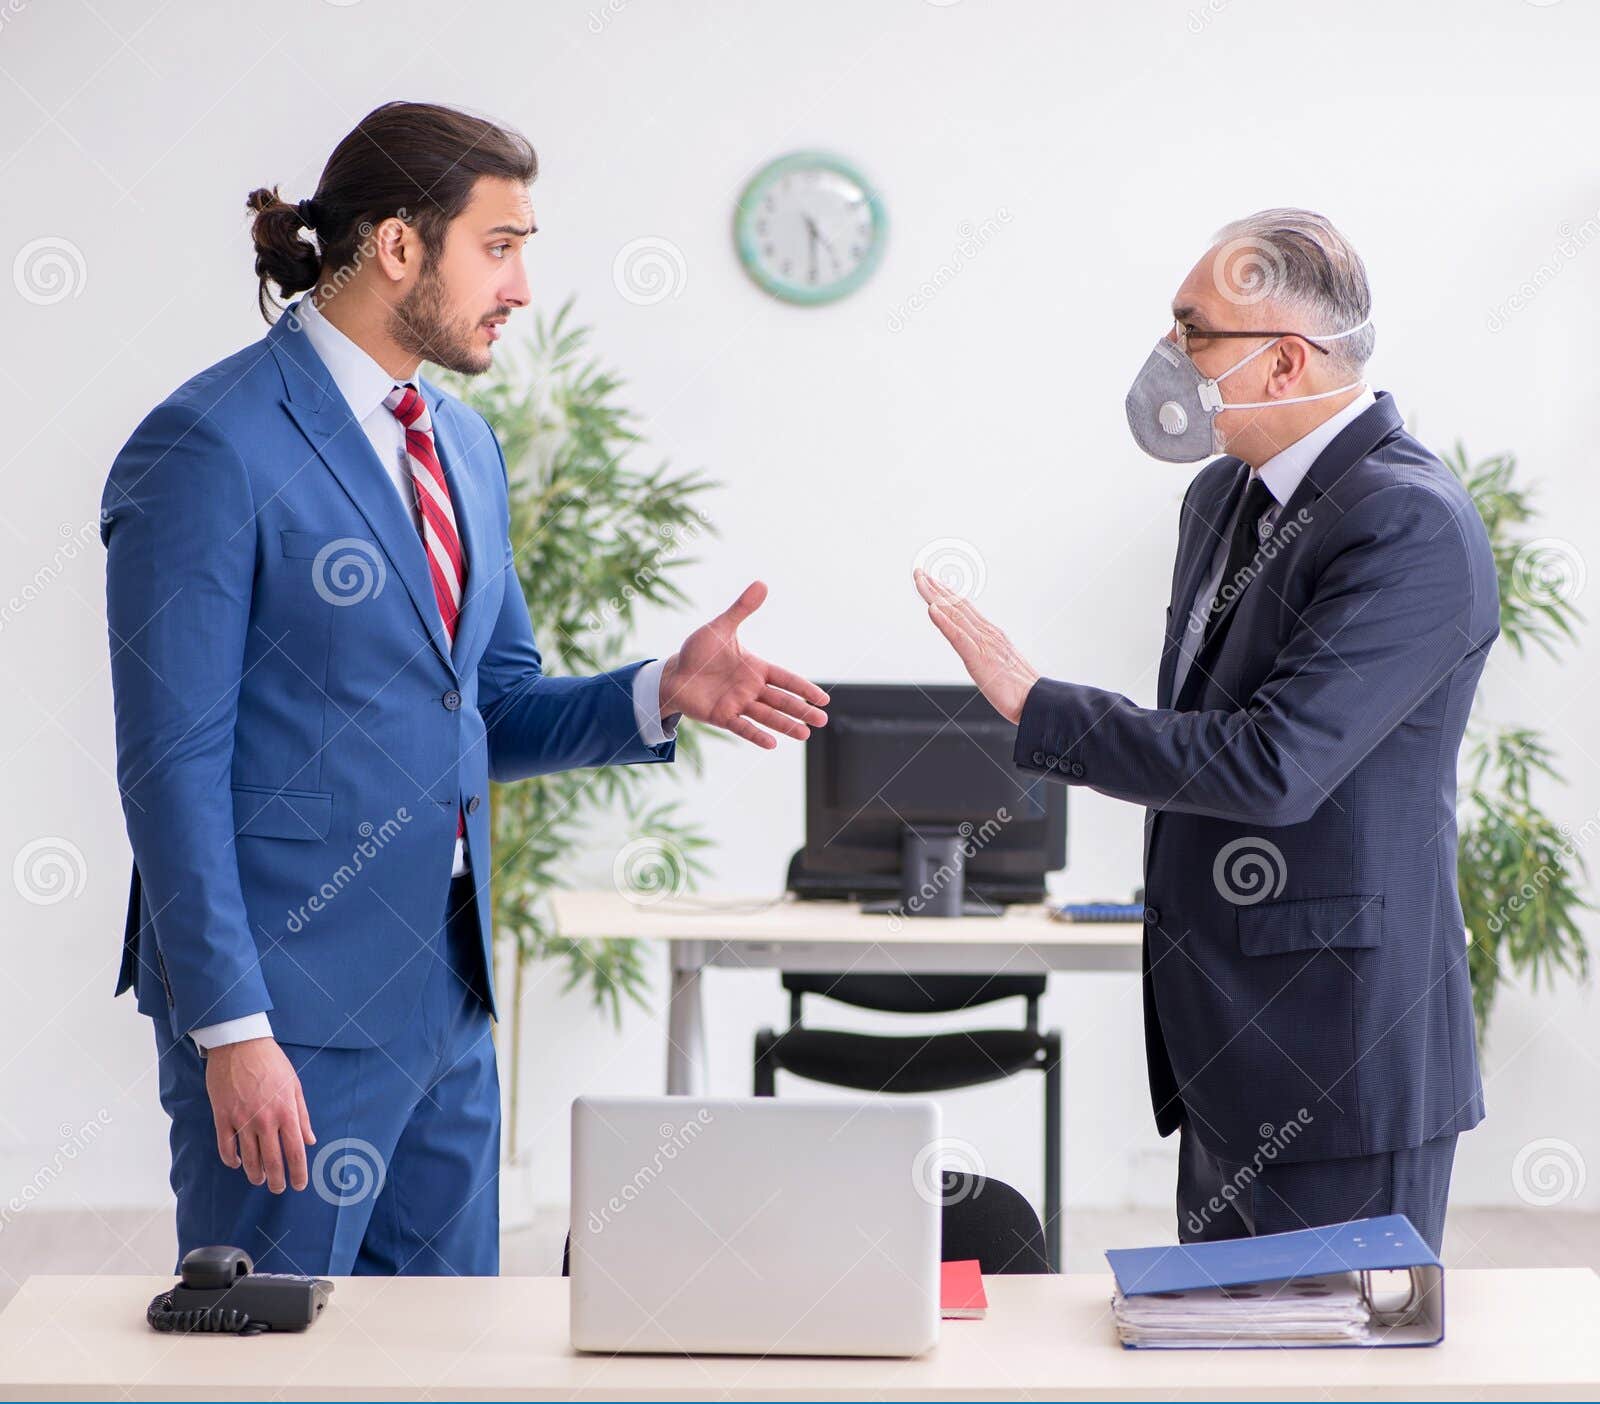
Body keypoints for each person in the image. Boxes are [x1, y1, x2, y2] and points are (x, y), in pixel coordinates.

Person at [102, 100, 828, 1277]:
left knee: (454, 1353)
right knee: (274, 1354)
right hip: (287, 1008)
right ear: (398, 244)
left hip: (448, 994)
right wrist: (231, 1026)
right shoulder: (210, 444)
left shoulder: (462, 445)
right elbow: (168, 766)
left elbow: (481, 709)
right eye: (499, 246)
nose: (522, 288)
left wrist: (660, 690)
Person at [915, 209, 1497, 1255]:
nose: (1169, 354)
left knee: (1320, 1353)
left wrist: (1040, 704)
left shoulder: (1409, 522)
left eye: (1193, 328)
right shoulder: (1222, 498)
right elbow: (1205, 732)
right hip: (1225, 1044)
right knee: (1217, 1342)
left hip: (1339, 1056)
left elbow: (1275, 765)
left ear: (1284, 360)